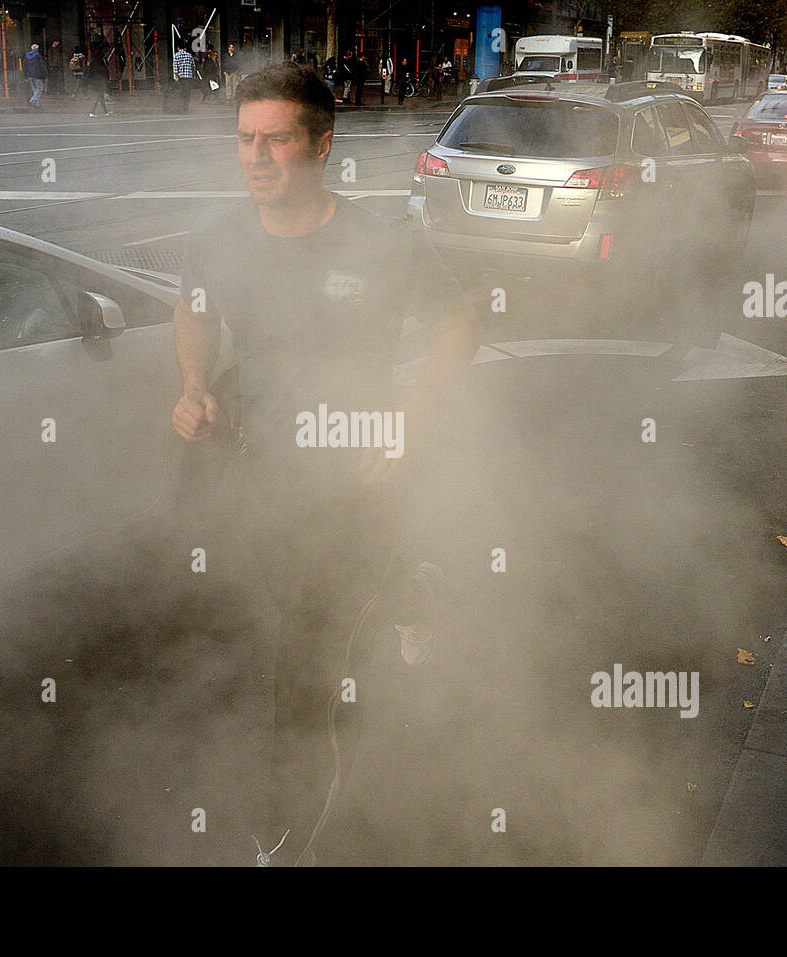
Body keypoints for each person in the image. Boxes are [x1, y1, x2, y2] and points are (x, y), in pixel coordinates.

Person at [171, 62, 478, 864]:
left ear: (322, 147)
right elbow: (193, 308)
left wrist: (408, 422)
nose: (256, 157)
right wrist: (194, 386)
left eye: (277, 140)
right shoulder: (217, 240)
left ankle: (295, 833)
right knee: (242, 644)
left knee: (311, 666)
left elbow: (460, 323)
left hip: (348, 484)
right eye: (244, 139)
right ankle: (412, 585)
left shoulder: (381, 243)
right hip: (252, 471)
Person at [87, 47, 112, 116]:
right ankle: (92, 112)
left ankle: (105, 111)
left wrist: (90, 82)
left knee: (101, 97)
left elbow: (89, 72)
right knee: (99, 96)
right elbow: (105, 71)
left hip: (95, 81)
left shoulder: (93, 62)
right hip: (100, 81)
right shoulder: (101, 62)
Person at [172, 38, 195, 113]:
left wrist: (176, 76)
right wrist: (193, 74)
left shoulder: (176, 55)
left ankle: (181, 108)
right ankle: (186, 108)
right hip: (188, 78)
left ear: (178, 47)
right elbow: (193, 66)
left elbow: (175, 68)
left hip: (181, 78)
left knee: (181, 93)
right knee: (187, 94)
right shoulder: (189, 55)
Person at [23, 42, 47, 108]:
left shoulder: (26, 56)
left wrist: (25, 76)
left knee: (35, 90)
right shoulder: (38, 56)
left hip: (30, 75)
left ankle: (37, 105)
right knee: (40, 89)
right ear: (37, 49)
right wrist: (44, 76)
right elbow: (42, 66)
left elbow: (24, 66)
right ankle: (33, 100)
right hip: (38, 75)